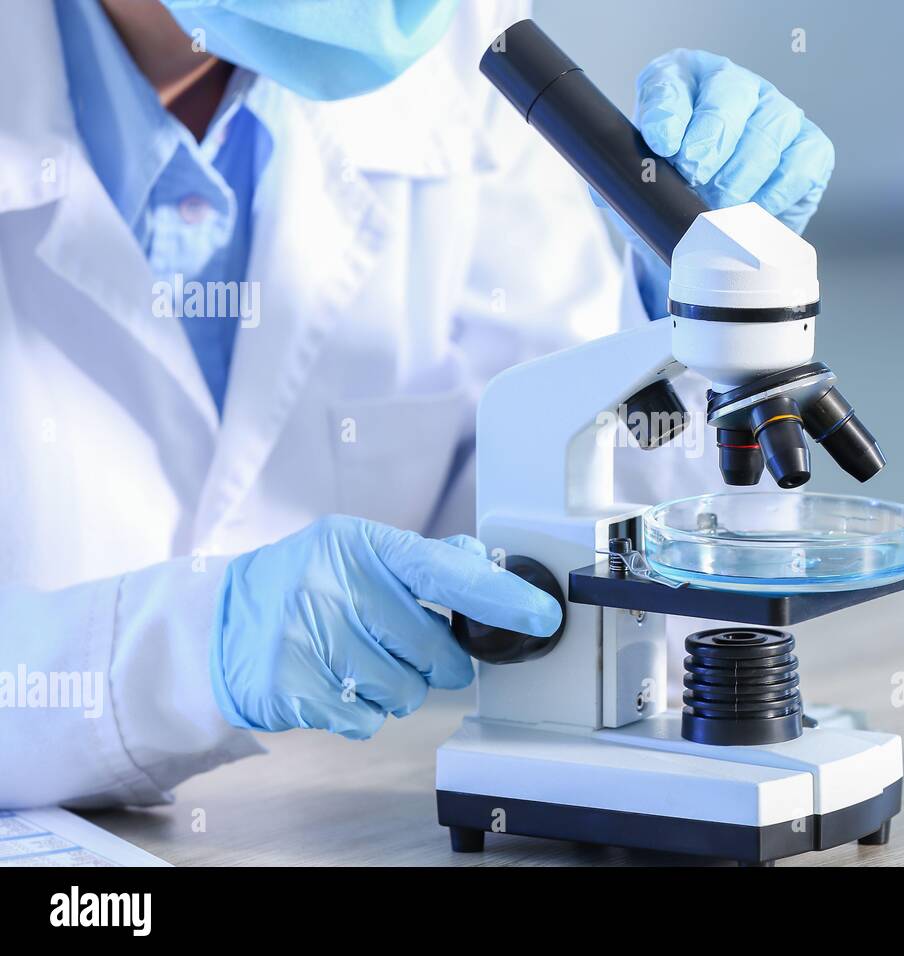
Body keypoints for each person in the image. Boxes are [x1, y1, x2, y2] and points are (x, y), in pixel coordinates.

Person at [0, 0, 834, 808]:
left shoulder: (459, 56)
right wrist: (193, 650)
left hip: (327, 823)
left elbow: (570, 542)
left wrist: (682, 323)